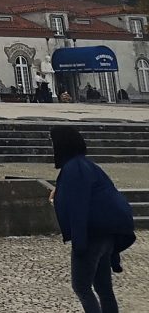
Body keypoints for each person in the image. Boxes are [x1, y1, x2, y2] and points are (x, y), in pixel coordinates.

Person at [52, 126, 136, 313]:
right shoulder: (89, 166)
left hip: (91, 236)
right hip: (107, 235)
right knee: (104, 289)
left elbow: (78, 206)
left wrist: (79, 243)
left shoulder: (73, 168)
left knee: (81, 286)